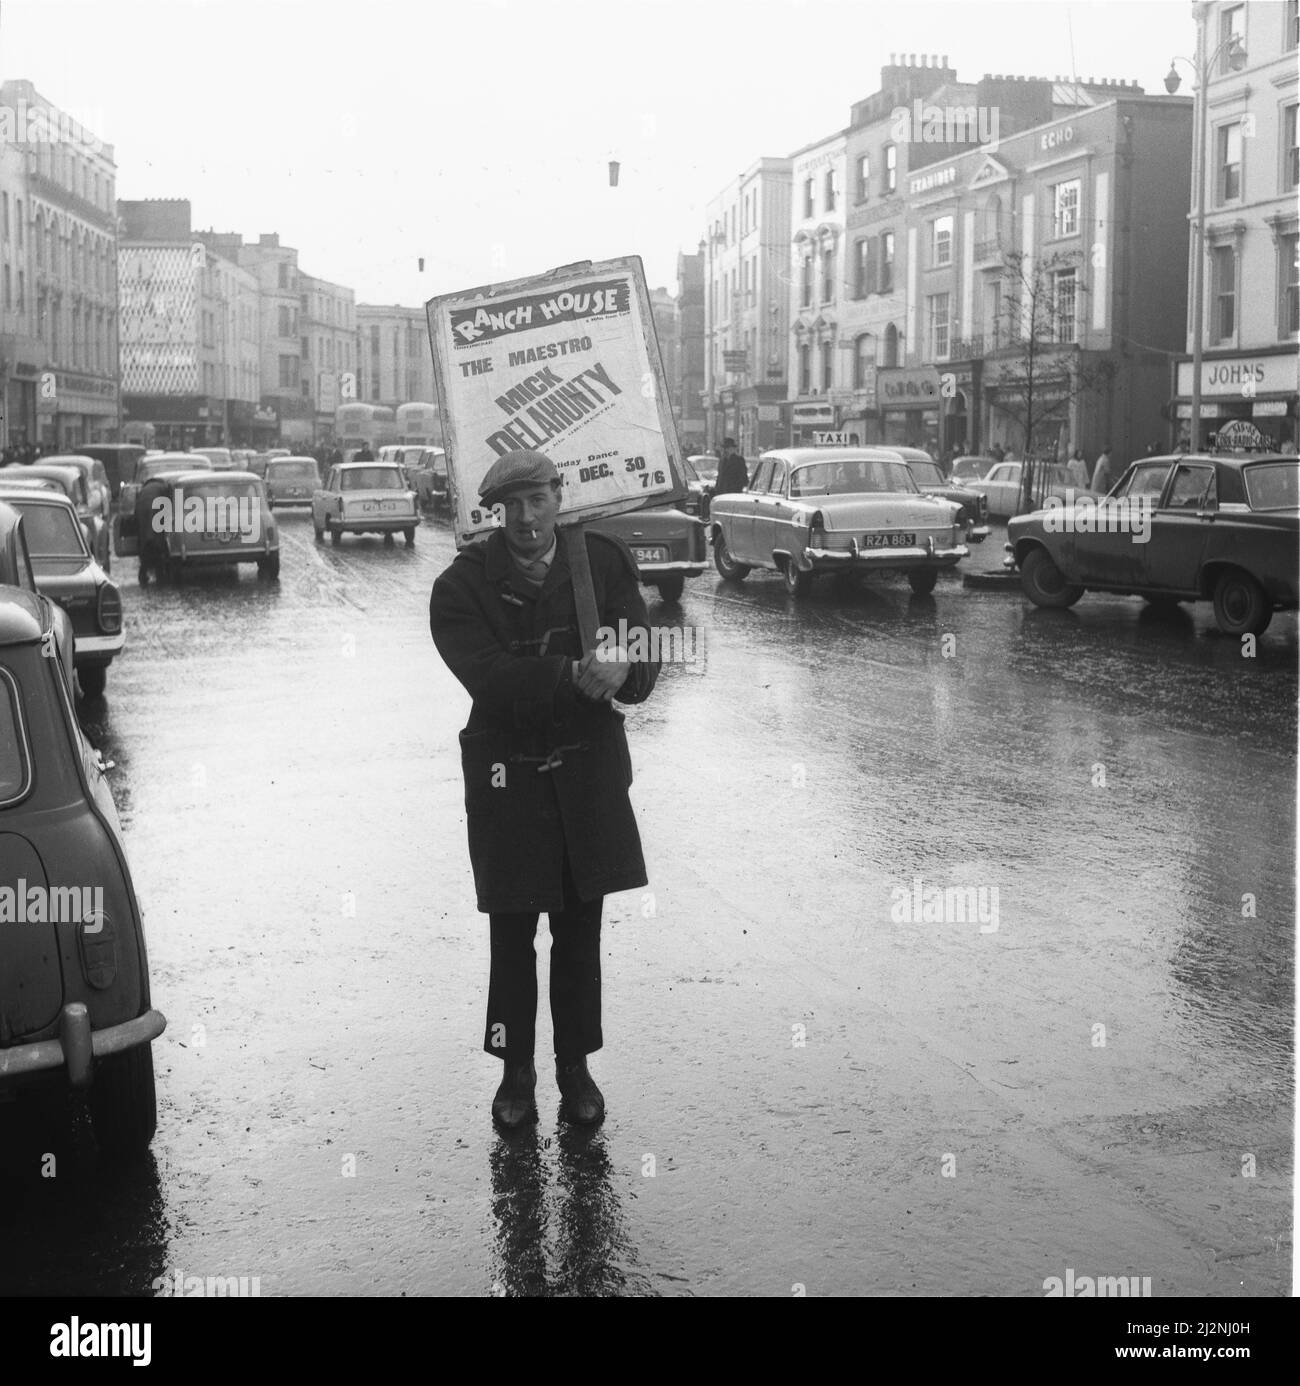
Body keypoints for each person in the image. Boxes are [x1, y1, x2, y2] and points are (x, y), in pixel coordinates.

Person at [429, 450, 659, 1130]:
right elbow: (489, 677)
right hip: (509, 778)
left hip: (587, 773)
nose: (526, 519)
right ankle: (515, 1072)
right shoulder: (462, 586)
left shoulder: (603, 565)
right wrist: (567, 674)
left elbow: (640, 657)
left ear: (561, 496)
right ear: (495, 511)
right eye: (512, 506)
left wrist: (621, 664)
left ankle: (575, 1066)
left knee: (579, 931)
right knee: (511, 930)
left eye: (538, 500)